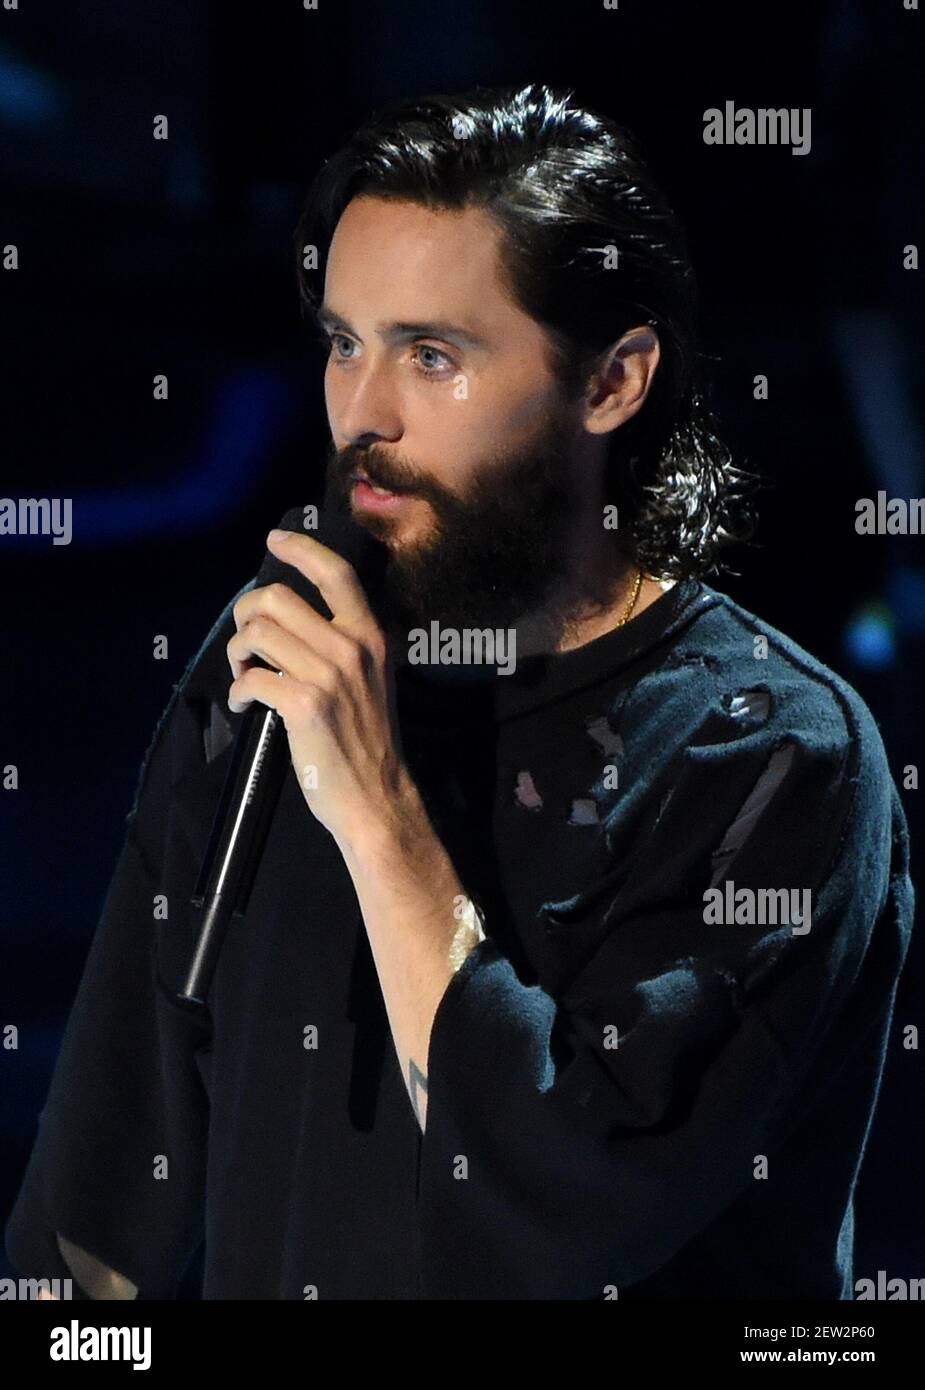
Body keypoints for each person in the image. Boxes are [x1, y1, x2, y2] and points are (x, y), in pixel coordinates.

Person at [7, 82, 913, 1301]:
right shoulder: (283, 661)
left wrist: (380, 819)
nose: (362, 417)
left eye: (431, 355)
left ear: (612, 383)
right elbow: (99, 1202)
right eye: (344, 342)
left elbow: (566, 1216)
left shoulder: (770, 760)